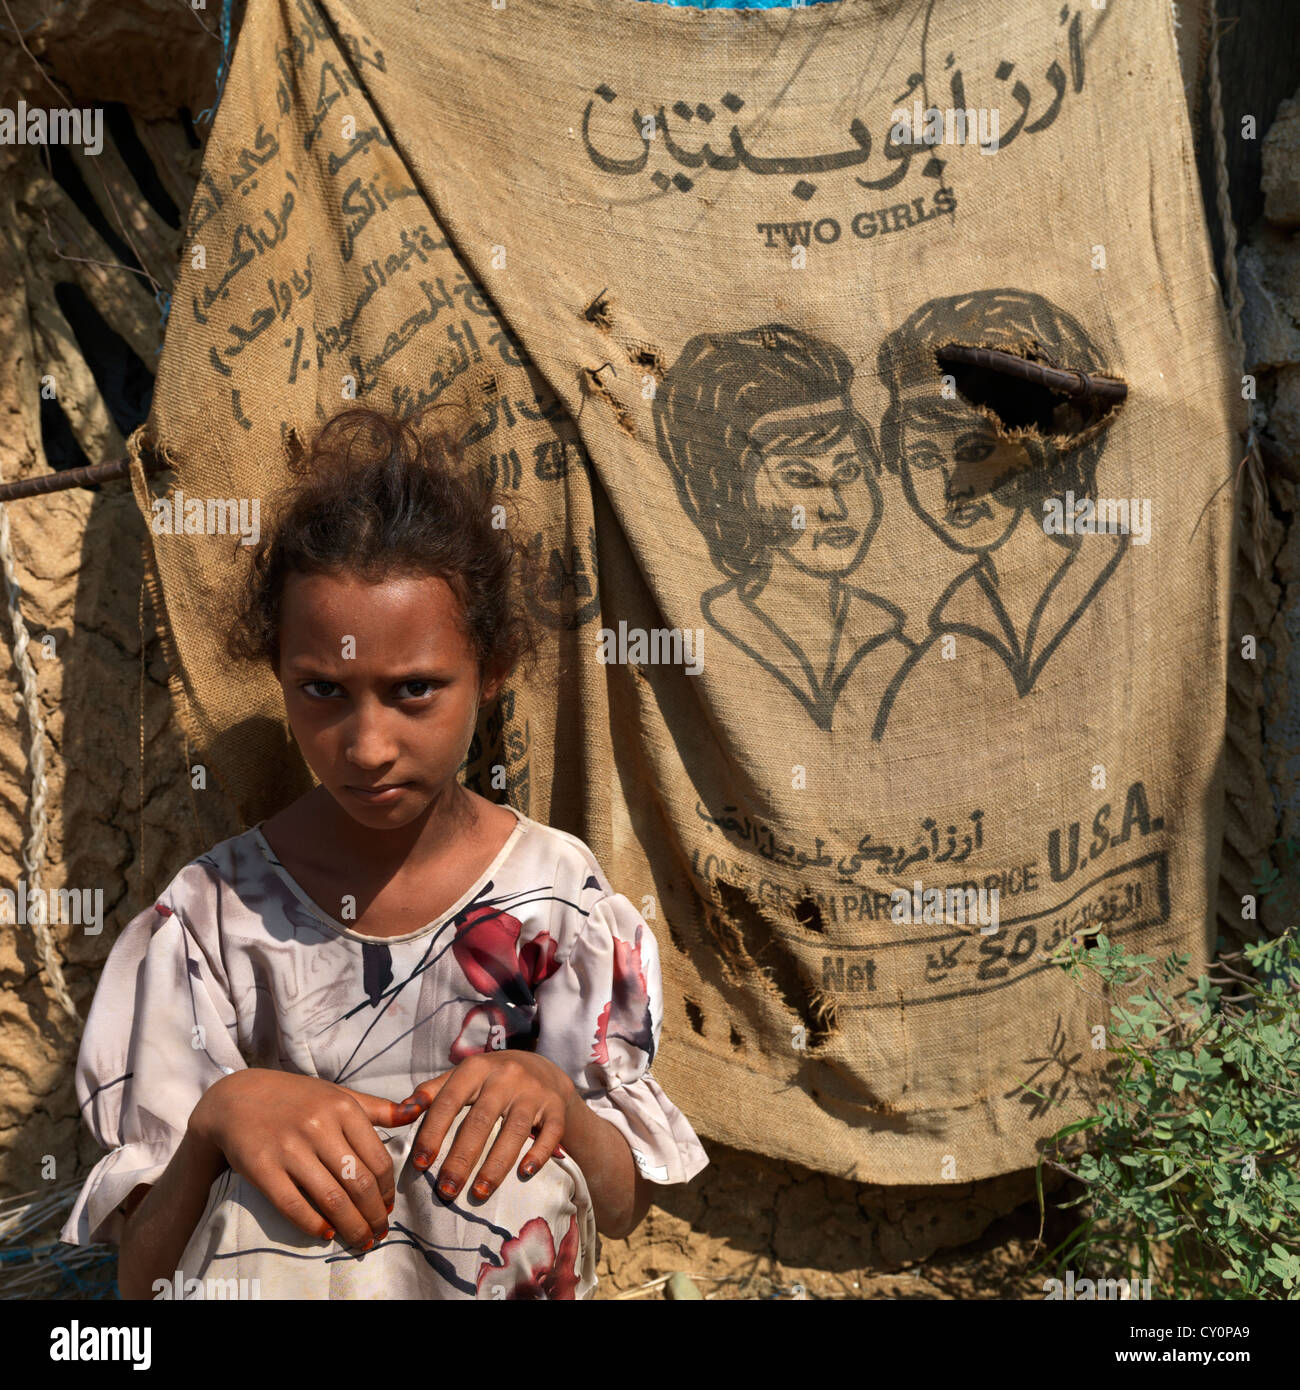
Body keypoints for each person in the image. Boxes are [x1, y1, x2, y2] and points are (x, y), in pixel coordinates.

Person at [58, 407, 709, 1299]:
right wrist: (218, 1121)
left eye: (414, 691)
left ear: (495, 669)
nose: (366, 745)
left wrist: (557, 1104)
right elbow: (140, 1278)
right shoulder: (211, 919)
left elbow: (618, 1204)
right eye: (323, 690)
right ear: (279, 675)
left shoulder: (559, 902)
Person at [871, 288, 1128, 741]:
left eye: (976, 451)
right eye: (924, 459)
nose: (955, 488)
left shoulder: (1123, 569)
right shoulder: (945, 641)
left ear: (1040, 440)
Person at [653, 323, 914, 733]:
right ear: (733, 493)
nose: (836, 507)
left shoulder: (893, 639)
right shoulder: (703, 637)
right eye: (799, 478)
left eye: (849, 470)